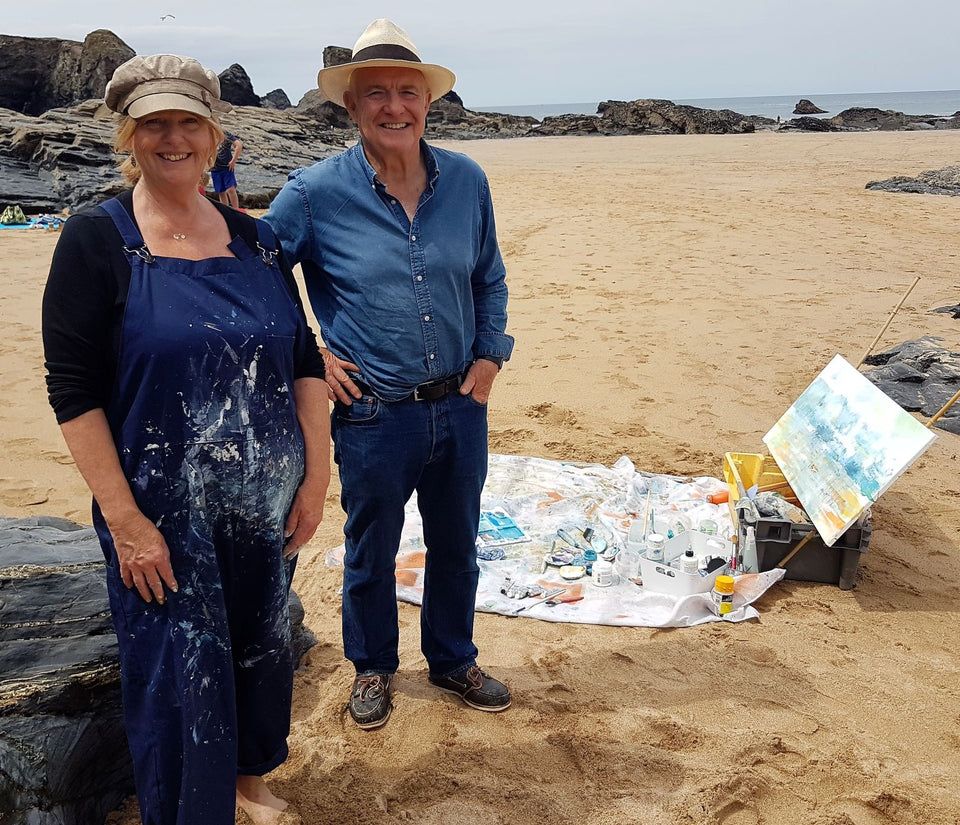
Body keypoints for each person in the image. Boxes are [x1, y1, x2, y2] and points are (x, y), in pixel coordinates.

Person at [42, 54, 329, 825]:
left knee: (261, 643)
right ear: (128, 136)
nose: (174, 139)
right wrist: (126, 522)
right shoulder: (97, 240)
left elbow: (303, 359)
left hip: (265, 498)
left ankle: (248, 786)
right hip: (159, 509)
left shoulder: (259, 240)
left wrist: (314, 477)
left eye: (188, 123)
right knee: (177, 664)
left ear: (215, 135)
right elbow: (72, 392)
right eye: (155, 124)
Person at [264, 18, 514, 730]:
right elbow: (256, 275)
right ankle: (372, 668)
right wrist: (309, 352)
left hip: (462, 404)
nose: (394, 106)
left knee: (456, 541)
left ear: (428, 103)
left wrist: (492, 355)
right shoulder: (312, 193)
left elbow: (490, 275)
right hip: (372, 412)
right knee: (371, 550)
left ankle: (453, 658)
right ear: (351, 106)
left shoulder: (466, 180)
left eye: (408, 91)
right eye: (377, 94)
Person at [211, 131, 243, 207]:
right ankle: (226, 211)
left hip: (227, 167)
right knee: (221, 191)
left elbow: (238, 145)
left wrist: (234, 160)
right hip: (215, 168)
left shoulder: (225, 134)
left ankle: (236, 210)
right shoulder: (208, 134)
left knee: (230, 189)